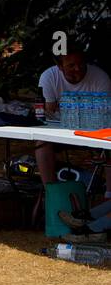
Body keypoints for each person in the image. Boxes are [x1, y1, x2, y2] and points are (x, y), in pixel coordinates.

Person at [36, 47, 111, 188]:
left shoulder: (100, 77)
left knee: (108, 140)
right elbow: (48, 110)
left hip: (93, 131)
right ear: (59, 66)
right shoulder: (49, 77)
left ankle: (109, 192)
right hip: (60, 130)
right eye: (71, 65)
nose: (78, 68)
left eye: (81, 63)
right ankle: (51, 190)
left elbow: (104, 113)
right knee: (42, 143)